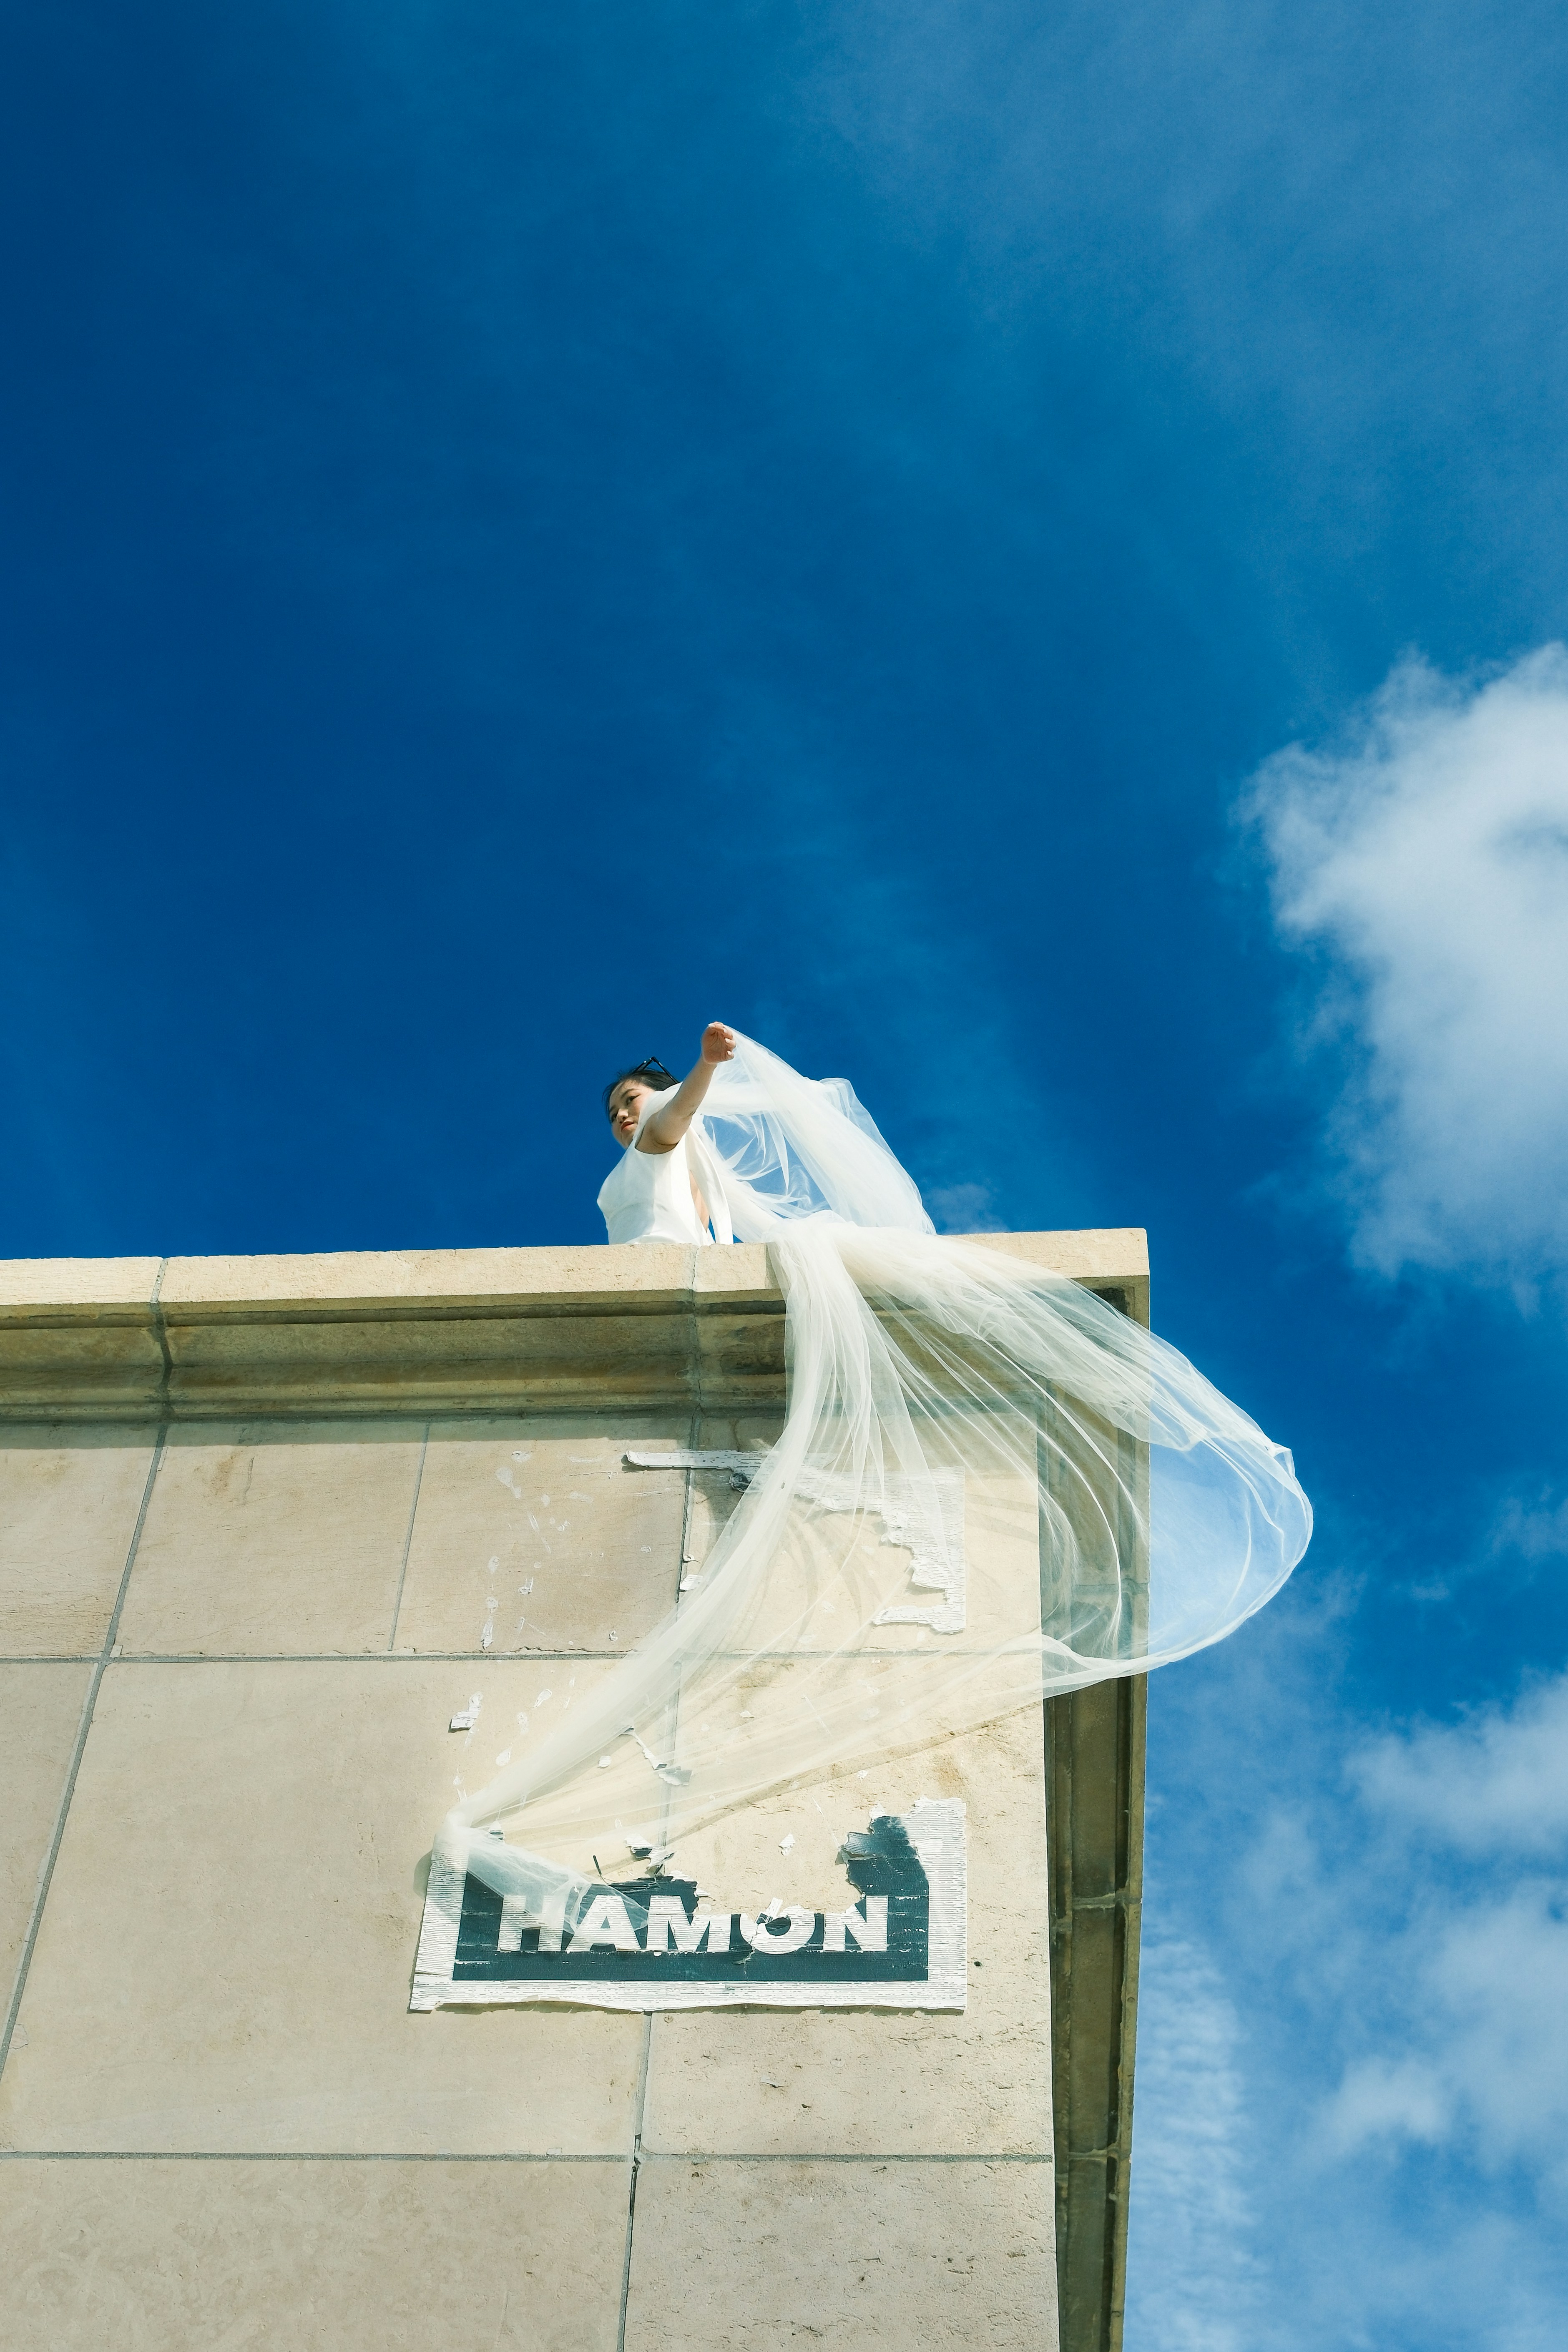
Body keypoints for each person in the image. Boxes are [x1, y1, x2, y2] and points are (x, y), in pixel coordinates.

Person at [436, 1023, 1312, 1940]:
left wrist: (698, 1070)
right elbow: (664, 1141)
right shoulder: (644, 1162)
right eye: (616, 1108)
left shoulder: (666, 1131)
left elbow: (669, 1122)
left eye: (631, 1100)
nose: (625, 1116)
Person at [596, 1024, 738, 1245]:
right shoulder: (685, 1155)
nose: (621, 1115)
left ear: (665, 1095)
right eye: (613, 1116)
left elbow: (680, 1112)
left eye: (631, 1099)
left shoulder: (653, 1135)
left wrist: (706, 1063)